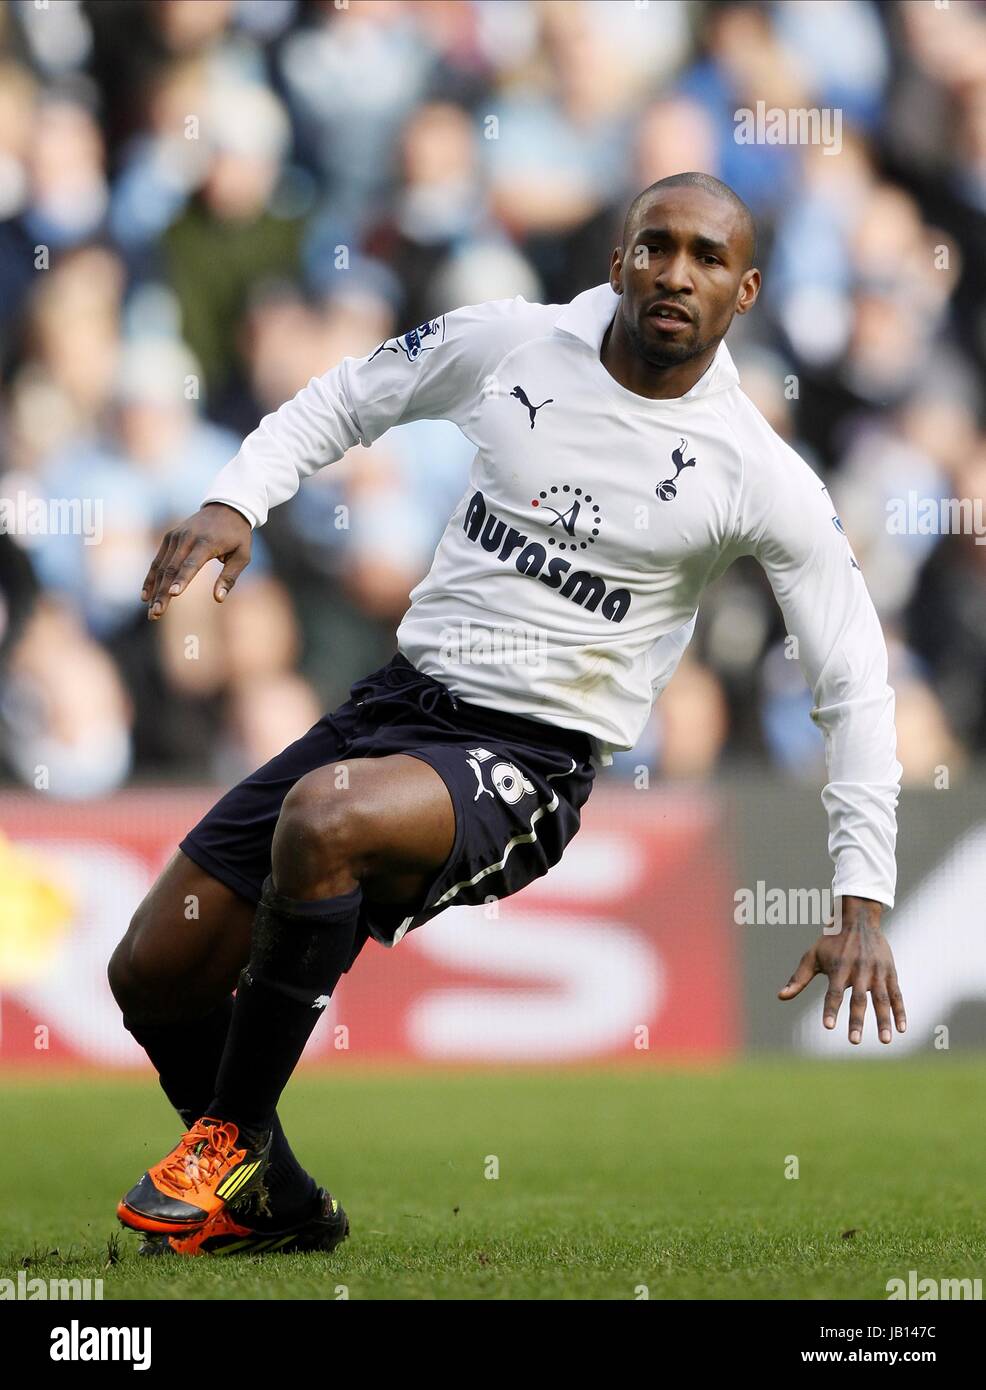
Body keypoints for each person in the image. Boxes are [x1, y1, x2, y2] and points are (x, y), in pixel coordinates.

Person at [109, 172, 905, 1257]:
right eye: (656, 246)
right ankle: (280, 1206)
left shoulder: (756, 474)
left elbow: (851, 675)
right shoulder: (511, 344)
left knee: (324, 818)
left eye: (706, 258)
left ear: (746, 289)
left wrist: (861, 889)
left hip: (528, 760)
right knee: (149, 969)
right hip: (395, 705)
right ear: (616, 260)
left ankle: (229, 1139)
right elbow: (350, 394)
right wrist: (238, 495)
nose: (676, 272)